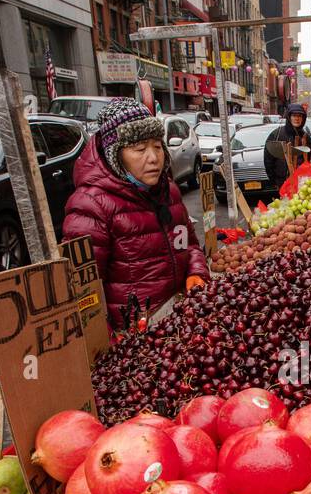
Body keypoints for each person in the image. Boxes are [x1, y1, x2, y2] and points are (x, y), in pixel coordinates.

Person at [61, 97, 208, 329]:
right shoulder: (89, 207)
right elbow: (82, 295)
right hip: (132, 341)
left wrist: (196, 272)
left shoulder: (169, 192)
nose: (153, 158)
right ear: (115, 155)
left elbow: (188, 244)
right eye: (139, 149)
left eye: (158, 147)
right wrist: (113, 346)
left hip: (178, 322)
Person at [263, 103, 311, 189]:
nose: (297, 118)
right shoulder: (276, 135)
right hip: (282, 182)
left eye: (300, 116)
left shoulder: (306, 137)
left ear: (303, 118)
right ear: (289, 117)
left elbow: (307, 160)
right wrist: (274, 180)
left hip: (301, 183)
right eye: (294, 115)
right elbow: (268, 159)